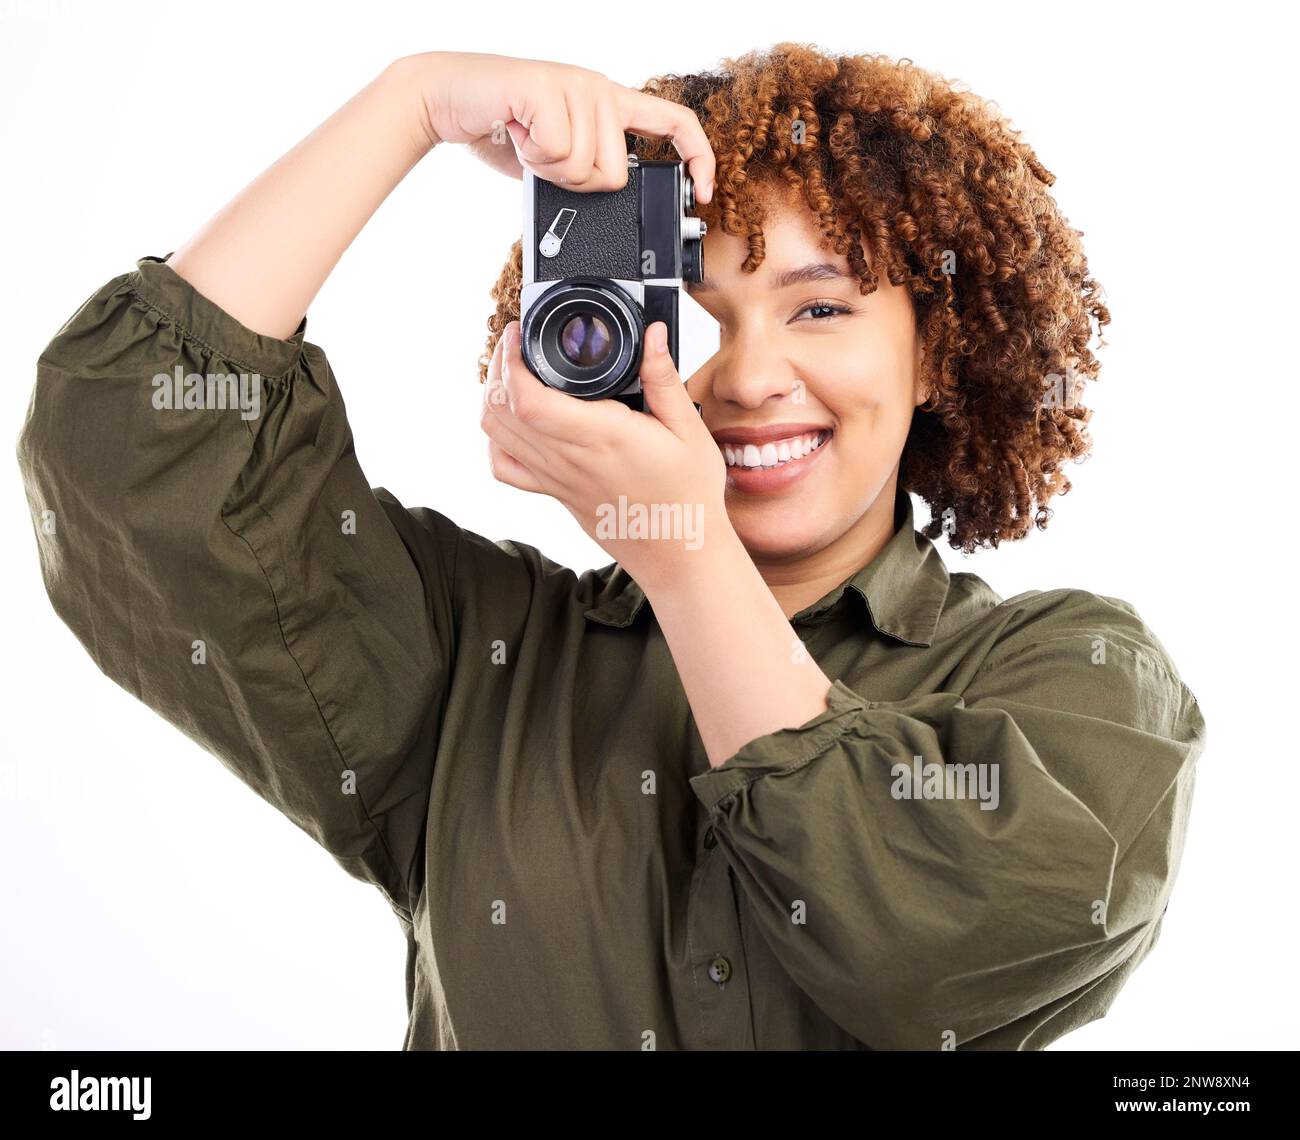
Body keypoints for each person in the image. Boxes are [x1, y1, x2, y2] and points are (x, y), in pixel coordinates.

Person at [16, 44, 1205, 1051]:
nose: (744, 377)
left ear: (935, 353)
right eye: (683, 314)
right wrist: (411, 102)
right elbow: (131, 452)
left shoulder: (1069, 680)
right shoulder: (473, 658)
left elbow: (931, 948)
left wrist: (681, 550)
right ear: (589, 330)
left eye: (821, 306)